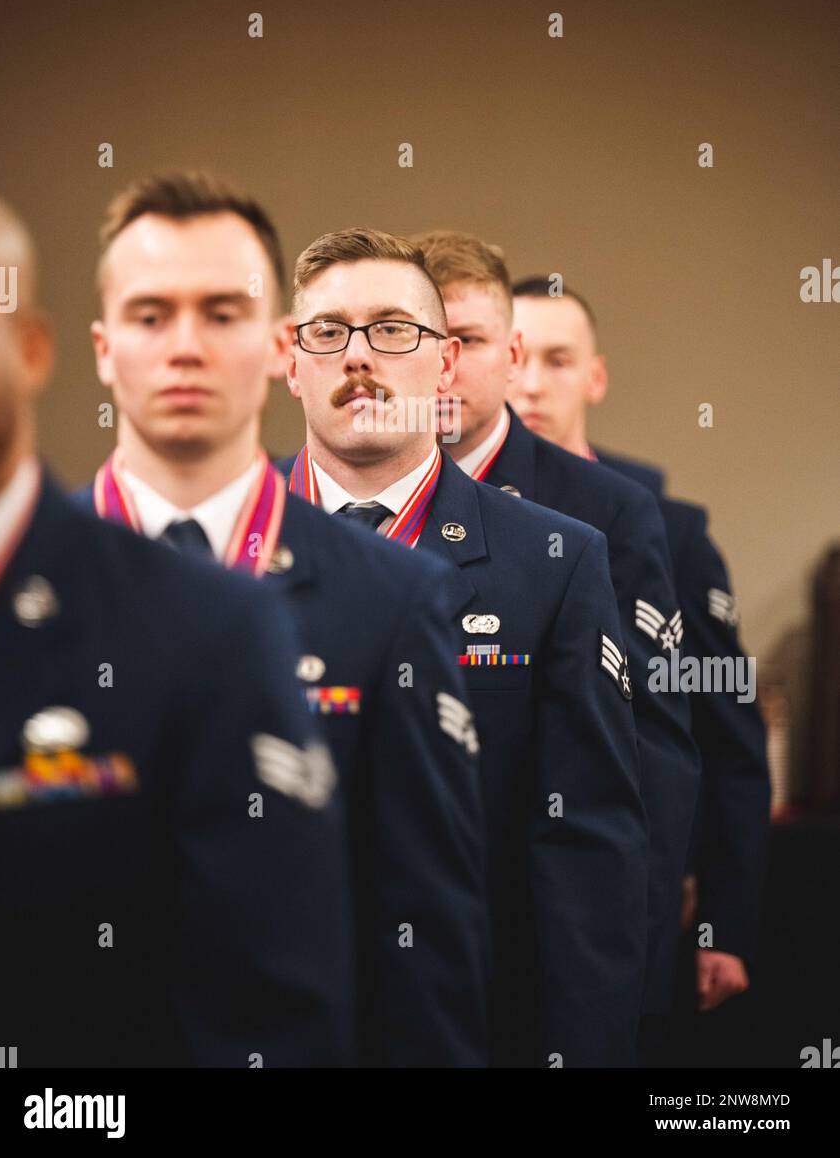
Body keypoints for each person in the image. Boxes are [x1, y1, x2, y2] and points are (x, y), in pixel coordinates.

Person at [77, 172, 488, 1067]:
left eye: (221, 313)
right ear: (105, 349)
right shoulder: (14, 582)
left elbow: (424, 937)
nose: (185, 346)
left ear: (274, 348)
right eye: (152, 316)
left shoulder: (393, 598)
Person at [0, 186, 352, 1068]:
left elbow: (270, 1002)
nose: (185, 346)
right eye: (153, 314)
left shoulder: (206, 625)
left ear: (33, 349)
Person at [282, 225, 648, 1069]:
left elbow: (589, 850)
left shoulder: (557, 561)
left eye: (394, 331)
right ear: (290, 360)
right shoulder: (217, 555)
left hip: (482, 1029)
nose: (360, 358)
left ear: (445, 364)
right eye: (329, 332)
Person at [413, 231, 701, 1032]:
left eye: (464, 341)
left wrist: (619, 970)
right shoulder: (344, 505)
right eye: (423, 339)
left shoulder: (606, 510)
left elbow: (653, 756)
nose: (442, 365)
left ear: (509, 354)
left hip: (537, 940)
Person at [509, 277, 770, 1023]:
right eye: (518, 356)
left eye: (558, 360)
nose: (532, 382)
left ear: (596, 376)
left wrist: (727, 920)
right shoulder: (448, 519)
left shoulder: (667, 529)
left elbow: (729, 738)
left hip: (637, 904)